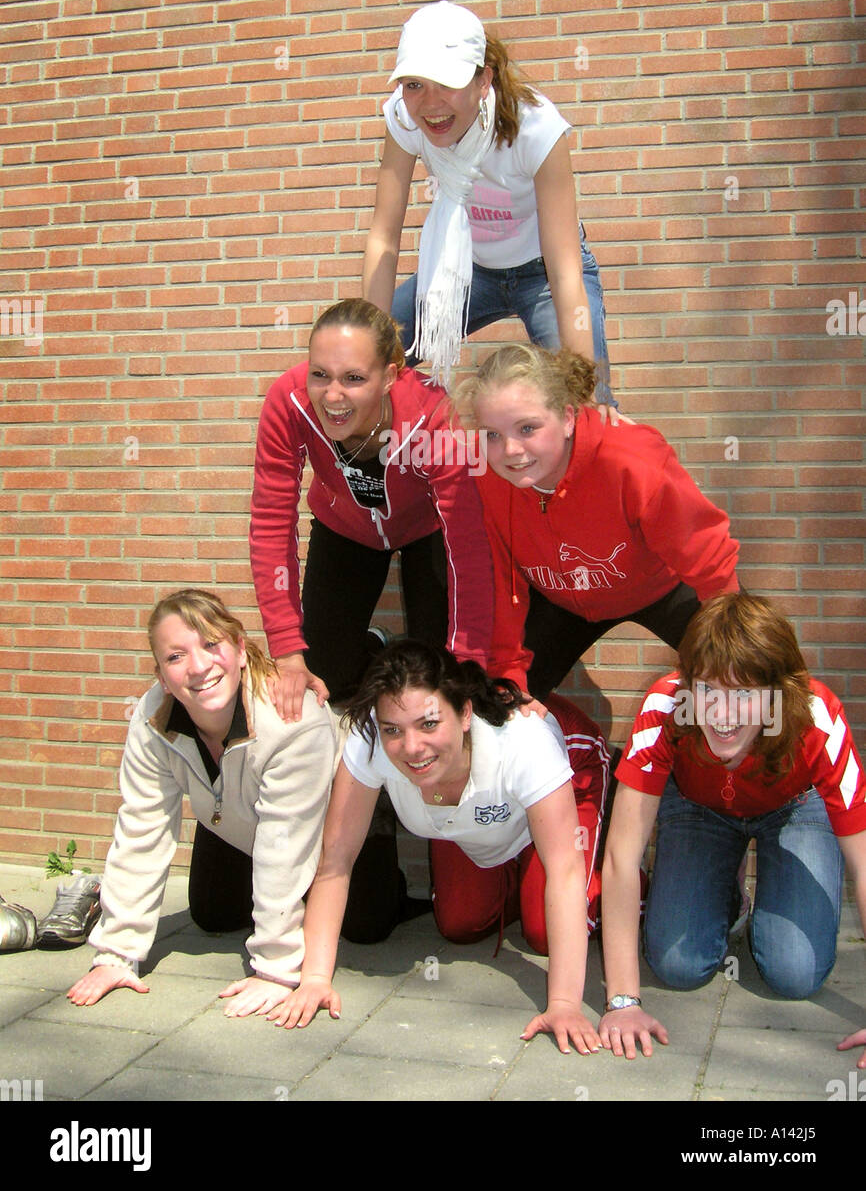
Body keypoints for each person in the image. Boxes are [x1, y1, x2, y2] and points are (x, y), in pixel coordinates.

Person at [265, 640, 610, 1054]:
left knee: (544, 932)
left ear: (465, 713)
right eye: (394, 729)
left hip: (571, 773)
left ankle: (617, 881)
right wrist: (315, 980)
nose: (411, 747)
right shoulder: (370, 738)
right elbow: (337, 859)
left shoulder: (522, 740)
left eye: (429, 724)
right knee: (461, 925)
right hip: (482, 823)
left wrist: (565, 1005)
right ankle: (521, 878)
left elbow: (565, 872)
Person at [598, 592, 866, 1071]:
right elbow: (621, 856)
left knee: (794, 974)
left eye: (743, 694)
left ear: (777, 692)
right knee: (678, 967)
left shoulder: (817, 716)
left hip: (793, 808)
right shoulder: (664, 707)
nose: (721, 715)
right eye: (708, 691)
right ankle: (728, 895)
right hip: (702, 807)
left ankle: (776, 896)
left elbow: (865, 863)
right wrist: (623, 1001)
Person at [67, 588, 342, 1017]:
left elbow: (285, 845)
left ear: (240, 650)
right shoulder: (152, 717)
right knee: (213, 914)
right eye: (176, 657)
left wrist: (275, 967)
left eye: (211, 645)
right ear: (161, 676)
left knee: (366, 924)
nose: (198, 666)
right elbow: (142, 825)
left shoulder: (291, 720)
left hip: (330, 834)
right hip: (240, 819)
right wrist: (116, 953)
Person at [249, 297, 493, 723]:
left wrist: (468, 662)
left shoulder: (434, 417)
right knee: (326, 674)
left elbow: (468, 547)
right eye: (320, 375)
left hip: (426, 530)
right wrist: (286, 649)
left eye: (354, 378)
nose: (333, 395)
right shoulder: (288, 404)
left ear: (388, 378)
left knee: (436, 674)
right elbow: (272, 523)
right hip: (344, 526)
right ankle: (374, 648)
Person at [454, 343, 740, 704]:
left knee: (743, 685)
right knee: (500, 702)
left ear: (568, 417)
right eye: (492, 434)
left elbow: (706, 555)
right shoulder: (485, 474)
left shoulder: (631, 460)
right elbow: (500, 578)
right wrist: (510, 671)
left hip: (661, 587)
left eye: (527, 428)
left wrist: (731, 647)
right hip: (562, 601)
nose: (510, 450)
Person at [362, 0, 615, 402]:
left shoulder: (536, 127)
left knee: (585, 402)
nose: (430, 103)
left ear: (484, 82)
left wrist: (587, 391)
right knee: (363, 364)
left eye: (447, 83)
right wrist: (367, 353)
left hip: (544, 274)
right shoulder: (404, 118)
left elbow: (563, 266)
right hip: (467, 269)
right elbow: (384, 237)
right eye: (414, 85)